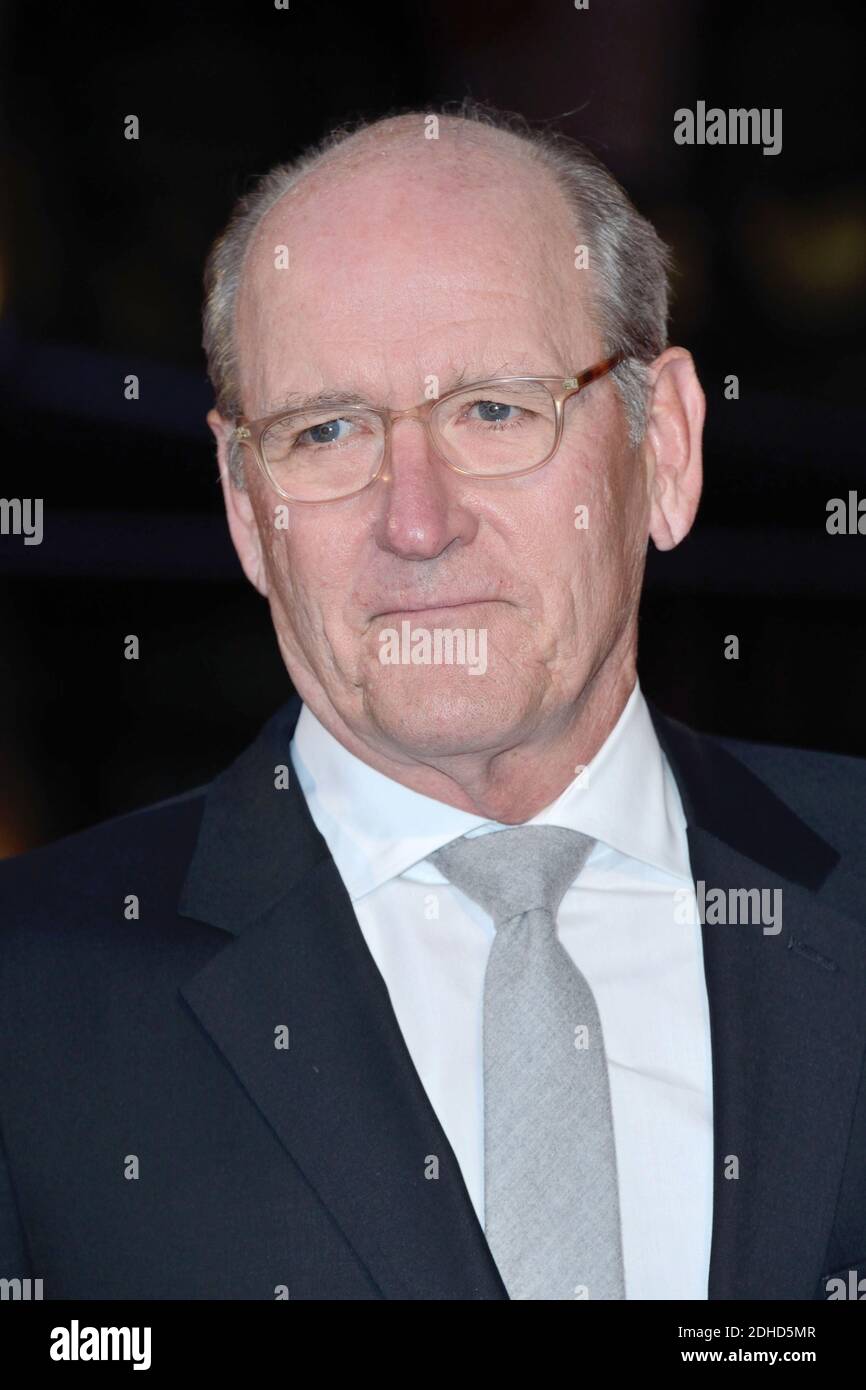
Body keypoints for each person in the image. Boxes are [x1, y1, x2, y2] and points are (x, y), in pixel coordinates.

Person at [1, 102, 865, 1302]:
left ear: (661, 446)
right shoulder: (29, 1001)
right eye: (328, 429)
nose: (416, 521)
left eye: (495, 410)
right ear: (247, 506)